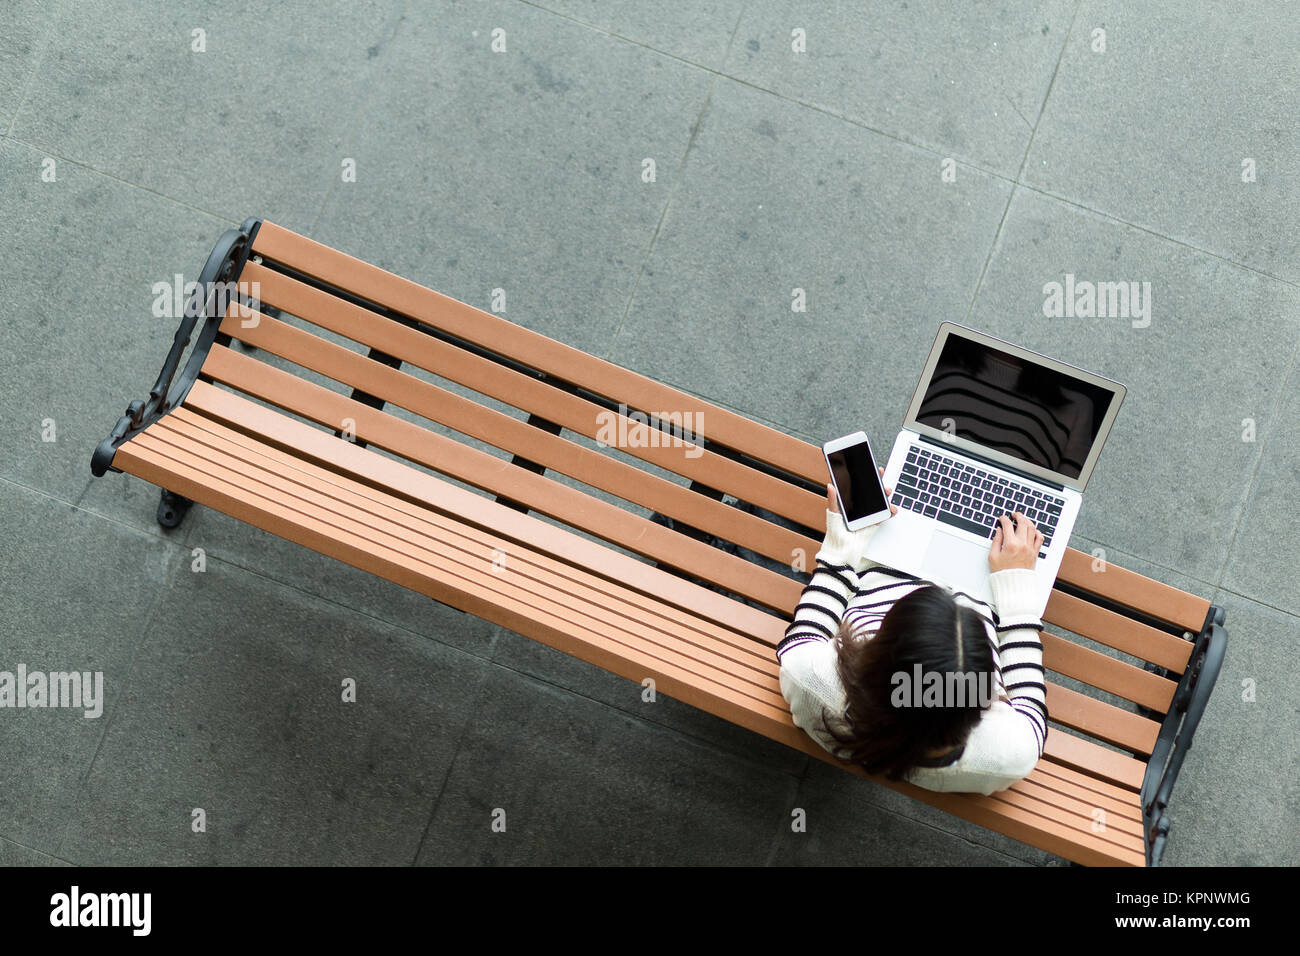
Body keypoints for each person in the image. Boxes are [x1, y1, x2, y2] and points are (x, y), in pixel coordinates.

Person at [777, 469, 1048, 795]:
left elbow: (808, 631)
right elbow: (1031, 712)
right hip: (995, 587)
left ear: (875, 656)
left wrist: (844, 544)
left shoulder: (811, 679)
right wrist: (1017, 590)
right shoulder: (1004, 755)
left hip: (889, 568)